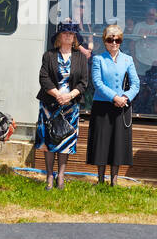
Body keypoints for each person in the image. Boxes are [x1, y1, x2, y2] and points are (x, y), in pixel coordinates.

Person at [36, 24, 90, 189]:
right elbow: (43, 78)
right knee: (49, 141)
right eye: (65, 33)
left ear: (75, 38)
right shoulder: (49, 55)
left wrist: (69, 95)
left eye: (71, 34)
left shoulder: (80, 58)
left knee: (65, 141)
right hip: (49, 104)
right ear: (59, 37)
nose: (68, 36)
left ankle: (61, 177)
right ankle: (49, 177)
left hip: (70, 106)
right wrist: (57, 94)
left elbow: (84, 82)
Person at [88, 24, 138, 186]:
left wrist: (125, 97)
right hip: (103, 106)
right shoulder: (98, 59)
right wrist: (114, 97)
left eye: (117, 40)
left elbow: (135, 84)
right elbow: (97, 82)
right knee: (102, 142)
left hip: (121, 106)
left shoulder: (128, 59)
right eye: (110, 39)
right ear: (105, 41)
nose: (114, 43)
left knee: (117, 142)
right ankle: (101, 179)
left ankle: (114, 181)